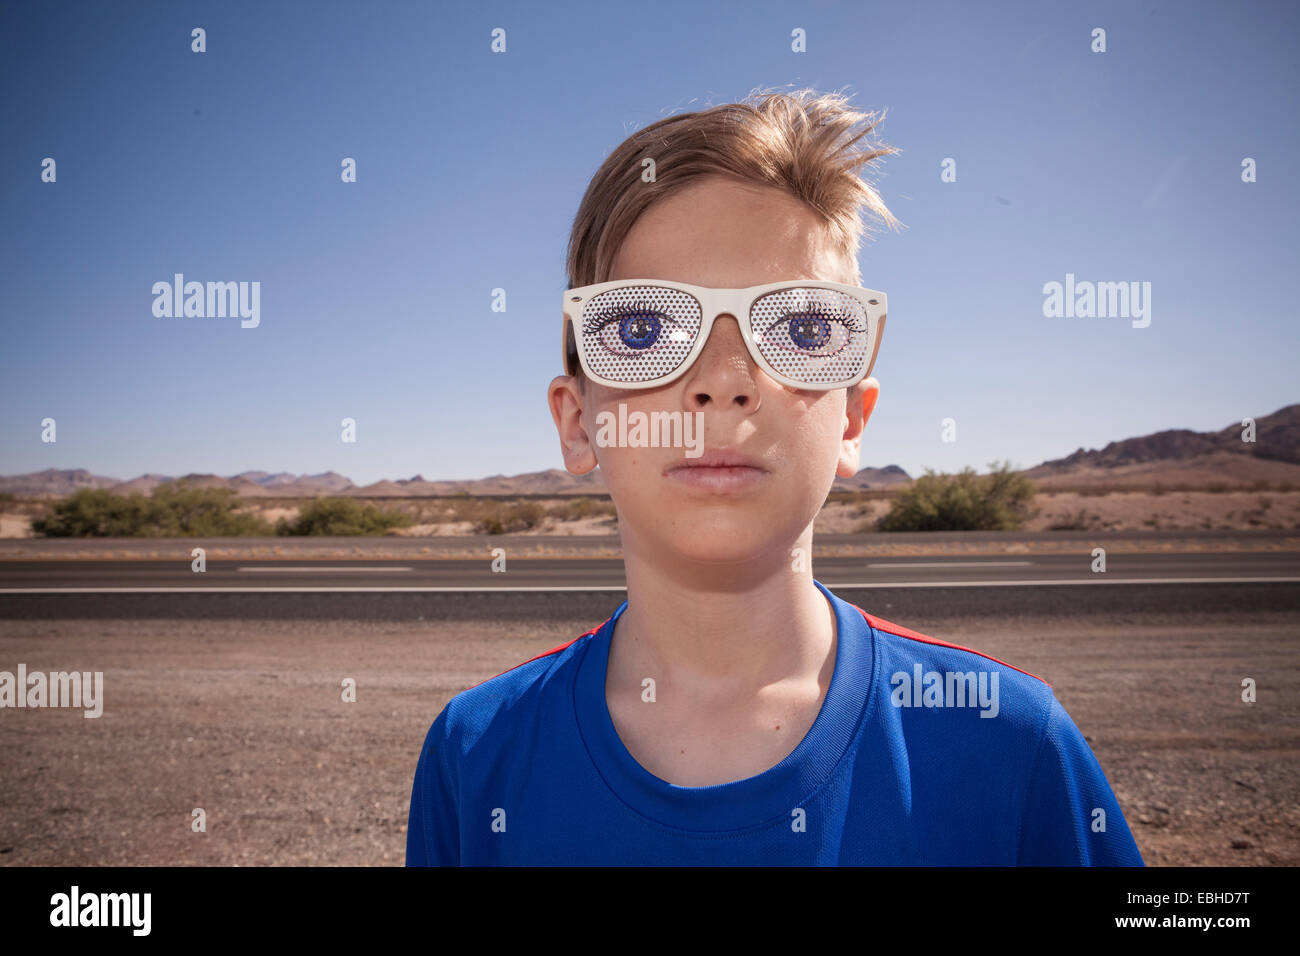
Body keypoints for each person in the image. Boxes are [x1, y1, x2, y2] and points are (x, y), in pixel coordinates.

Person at [406, 87, 1143, 865]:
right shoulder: (476, 754)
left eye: (800, 327)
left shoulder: (1010, 745)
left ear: (854, 418)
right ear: (578, 420)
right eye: (644, 327)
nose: (724, 381)